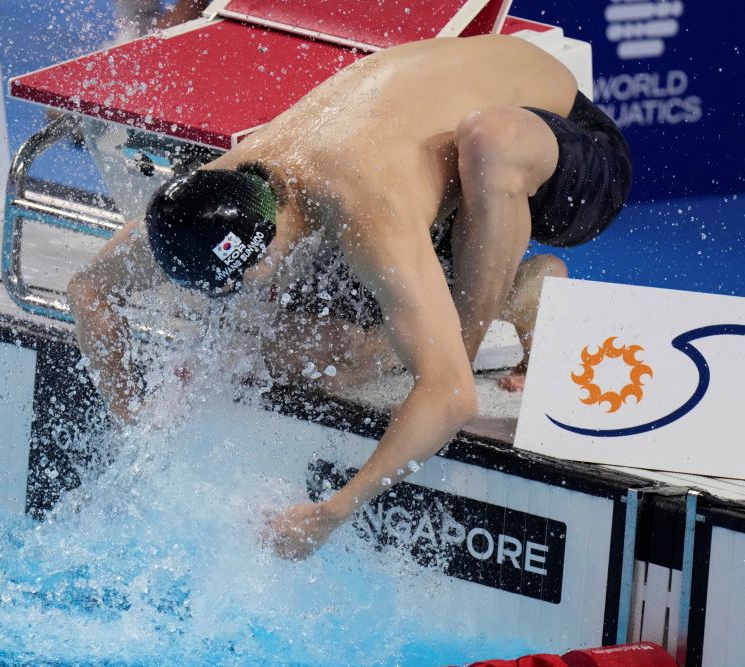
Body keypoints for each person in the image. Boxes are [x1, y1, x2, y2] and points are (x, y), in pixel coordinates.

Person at [67, 34, 633, 559]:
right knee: (320, 357)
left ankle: (469, 329)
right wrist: (136, 424)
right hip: (407, 167)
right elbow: (88, 289)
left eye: (237, 284)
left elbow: (452, 398)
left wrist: (330, 514)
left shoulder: (368, 212)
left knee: (489, 145)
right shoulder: (217, 192)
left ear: (262, 253)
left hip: (564, 143)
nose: (233, 298)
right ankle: (519, 289)